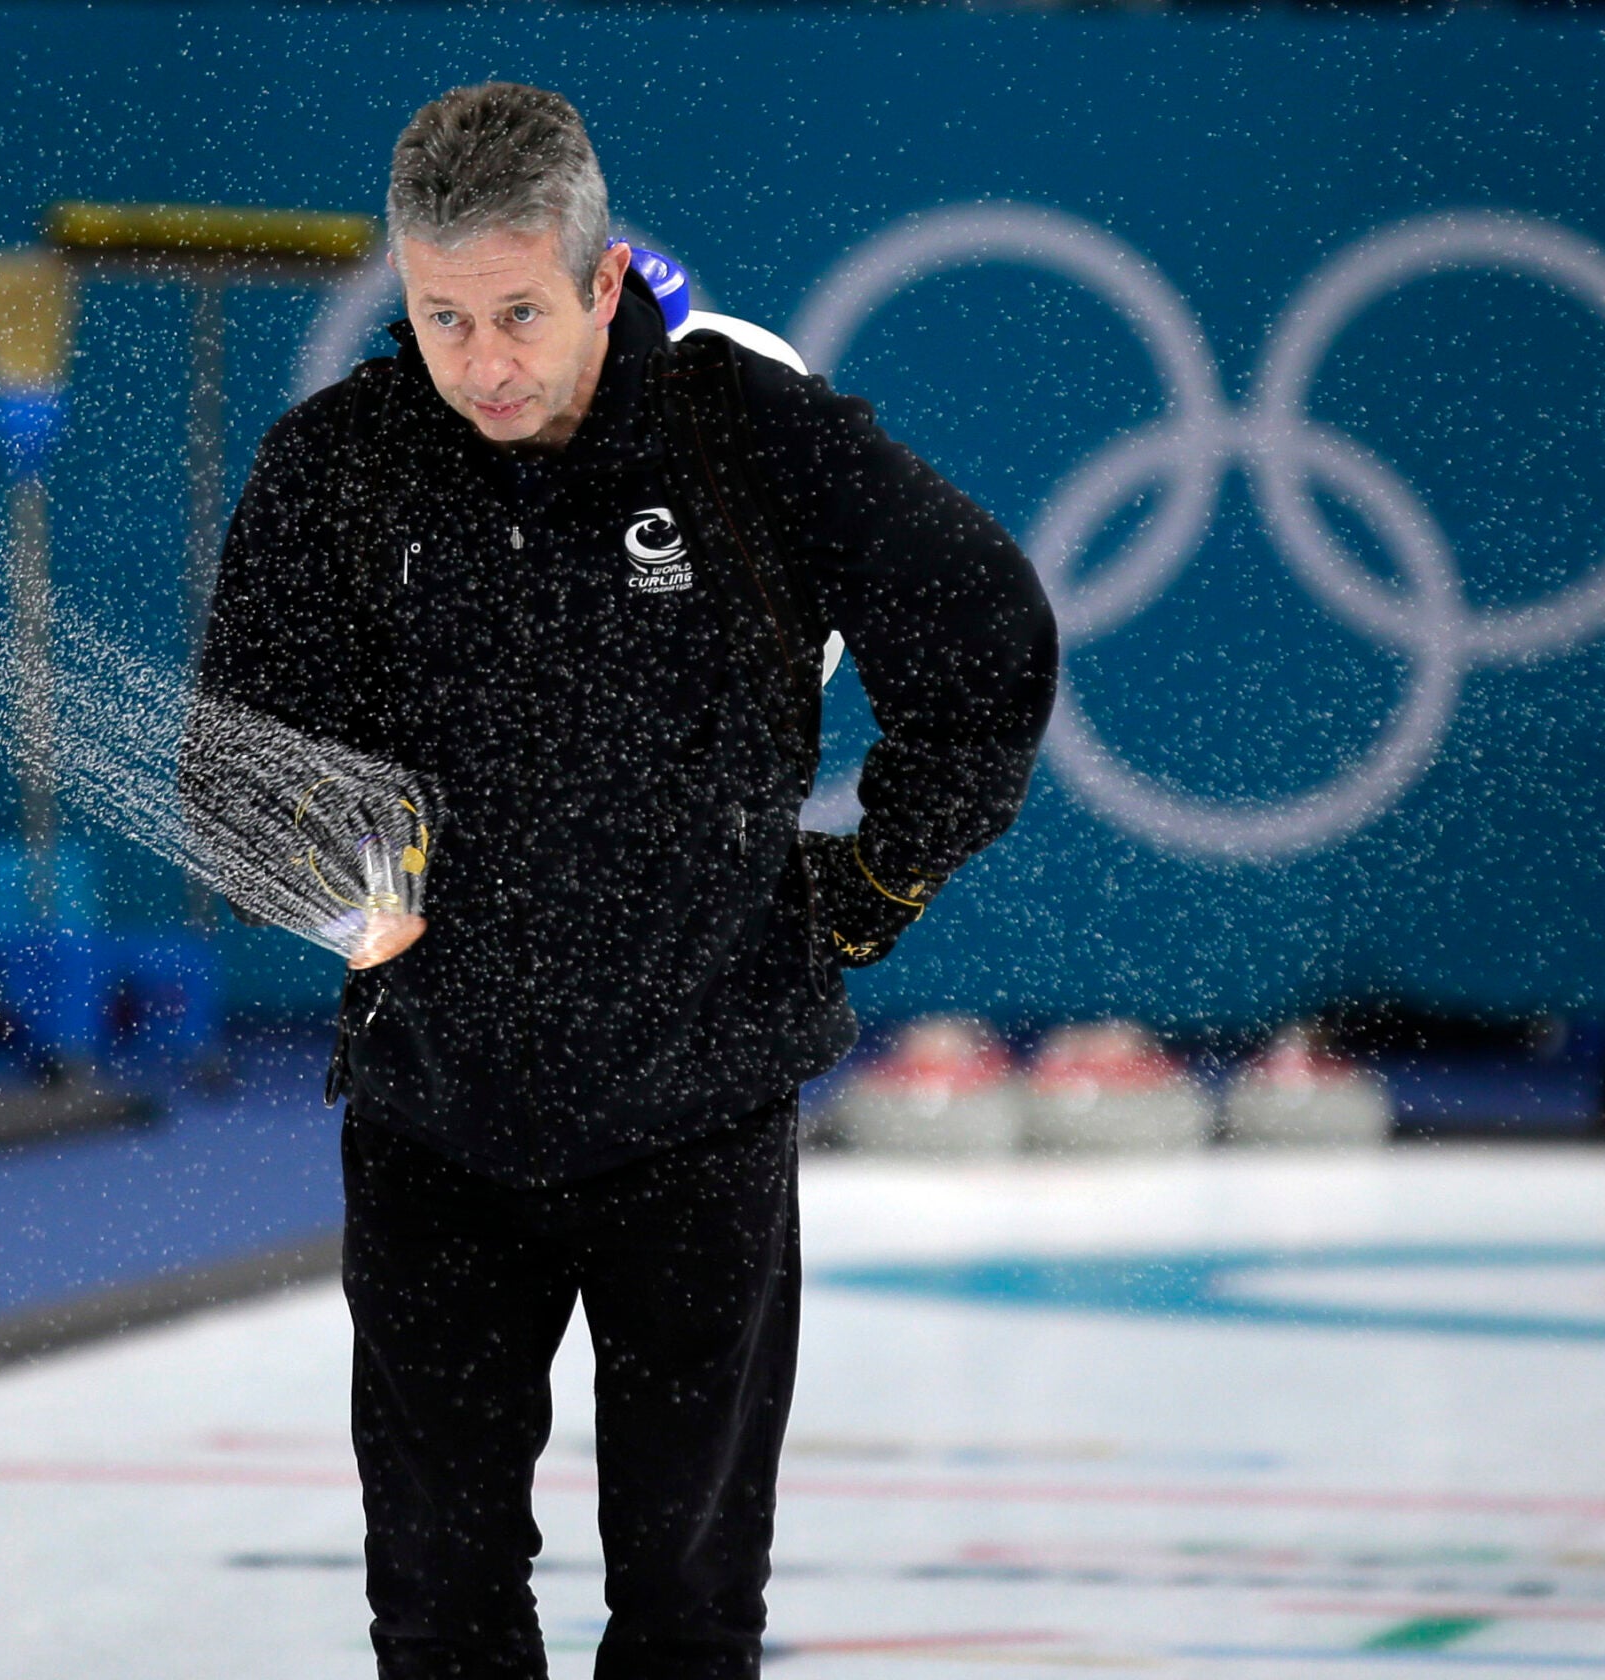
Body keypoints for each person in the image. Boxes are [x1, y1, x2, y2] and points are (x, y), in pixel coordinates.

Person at [184, 82, 1058, 1680]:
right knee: (440, 1614)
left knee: (688, 1618)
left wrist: (882, 880)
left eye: (520, 312)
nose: (483, 362)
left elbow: (990, 641)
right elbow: (230, 771)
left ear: (604, 283)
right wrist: (334, 883)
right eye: (442, 318)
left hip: (698, 1125)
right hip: (435, 1131)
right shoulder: (339, 465)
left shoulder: (748, 431)